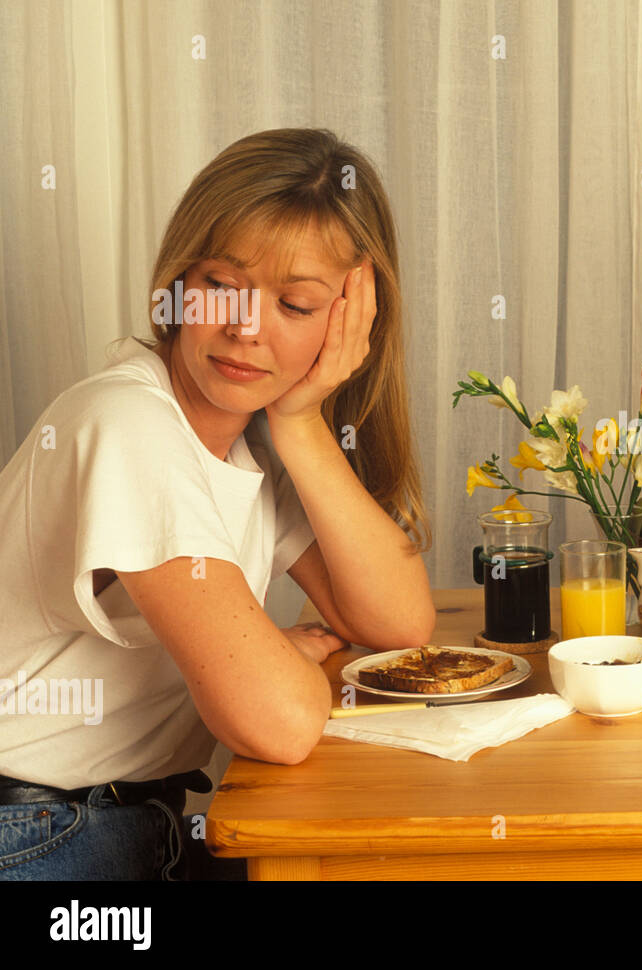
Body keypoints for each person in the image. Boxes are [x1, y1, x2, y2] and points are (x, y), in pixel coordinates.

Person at [0, 128, 436, 879]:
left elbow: (397, 623)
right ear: (176, 283)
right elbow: (282, 723)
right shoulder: (129, 423)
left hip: (133, 825)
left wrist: (300, 424)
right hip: (36, 836)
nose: (244, 327)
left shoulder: (249, 445)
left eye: (295, 305)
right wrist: (270, 661)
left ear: (349, 324)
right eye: (218, 285)